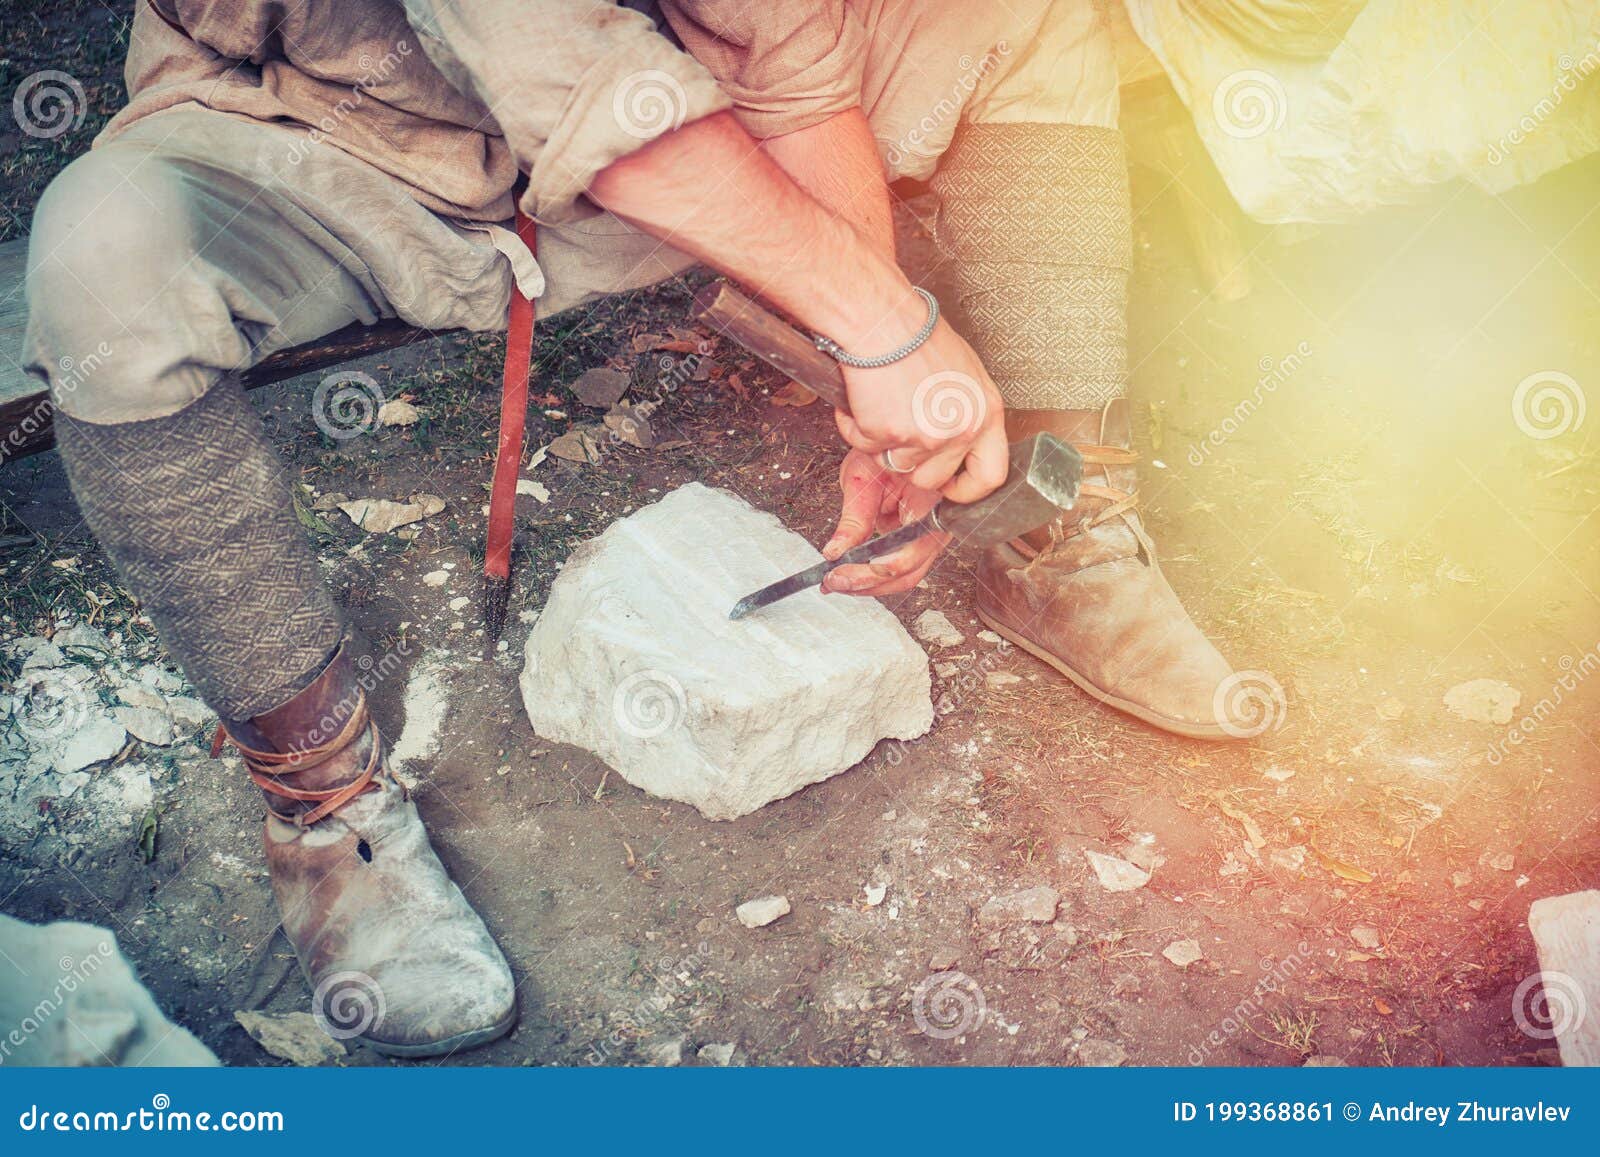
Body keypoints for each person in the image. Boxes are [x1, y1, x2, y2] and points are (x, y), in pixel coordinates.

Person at [22, 0, 1234, 1056]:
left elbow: (790, 66)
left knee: (1015, 18)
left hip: (625, 161)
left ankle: (1057, 526)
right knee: (105, 257)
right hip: (324, 142)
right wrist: (893, 329)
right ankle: (323, 801)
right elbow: (550, 50)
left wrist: (882, 401)